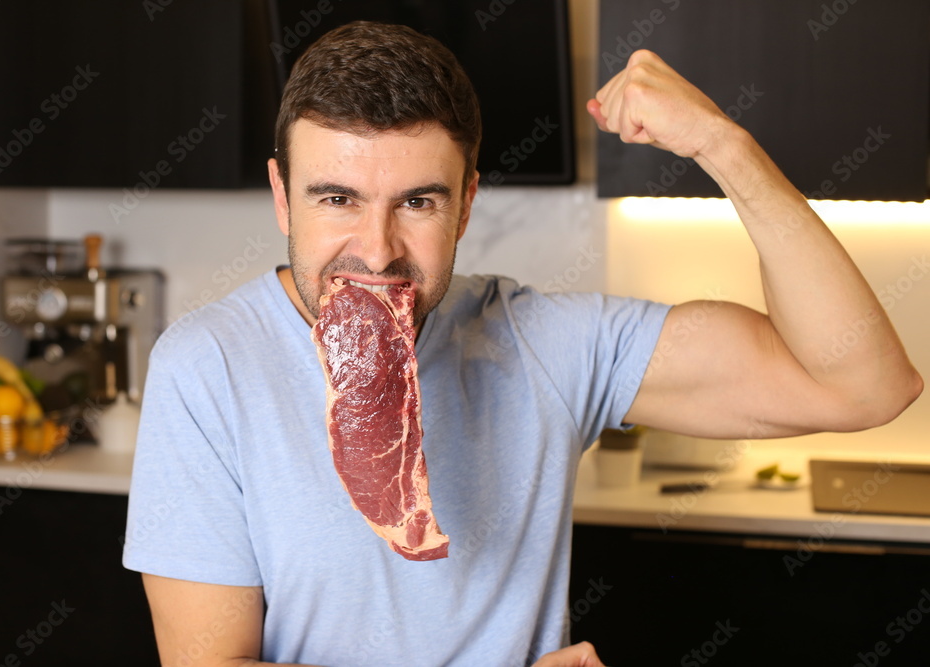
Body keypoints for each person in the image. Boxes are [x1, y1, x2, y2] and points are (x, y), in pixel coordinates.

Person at [122, 21, 922, 667]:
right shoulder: (207, 369)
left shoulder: (545, 341)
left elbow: (863, 384)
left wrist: (726, 146)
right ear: (282, 197)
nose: (378, 248)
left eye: (419, 202)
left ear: (467, 204)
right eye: (337, 197)